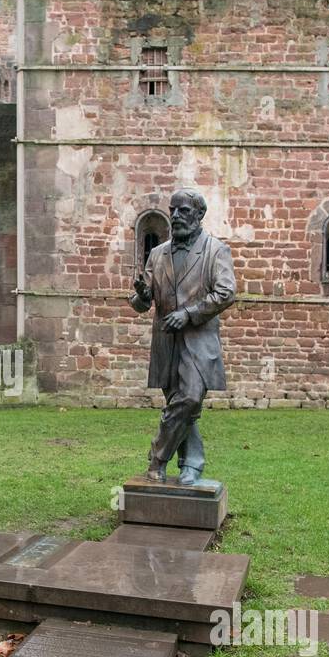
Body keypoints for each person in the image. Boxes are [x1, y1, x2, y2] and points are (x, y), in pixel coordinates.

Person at [130, 189, 236, 485]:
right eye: (173, 210)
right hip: (166, 342)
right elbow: (141, 303)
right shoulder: (158, 253)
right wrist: (142, 295)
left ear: (199, 215)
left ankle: (158, 456)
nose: (175, 216)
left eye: (184, 211)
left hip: (199, 340)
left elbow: (226, 292)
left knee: (189, 399)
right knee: (183, 409)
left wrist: (189, 313)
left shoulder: (216, 251)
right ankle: (192, 463)